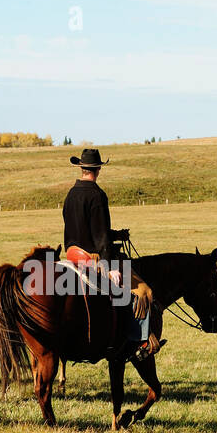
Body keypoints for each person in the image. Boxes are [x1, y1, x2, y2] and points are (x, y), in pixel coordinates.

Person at [61, 148, 157, 360]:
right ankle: (139, 342)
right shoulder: (97, 195)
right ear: (98, 169)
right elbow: (101, 238)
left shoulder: (71, 194)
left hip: (72, 255)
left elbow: (86, 229)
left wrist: (118, 235)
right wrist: (110, 268)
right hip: (93, 259)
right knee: (143, 292)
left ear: (82, 168)